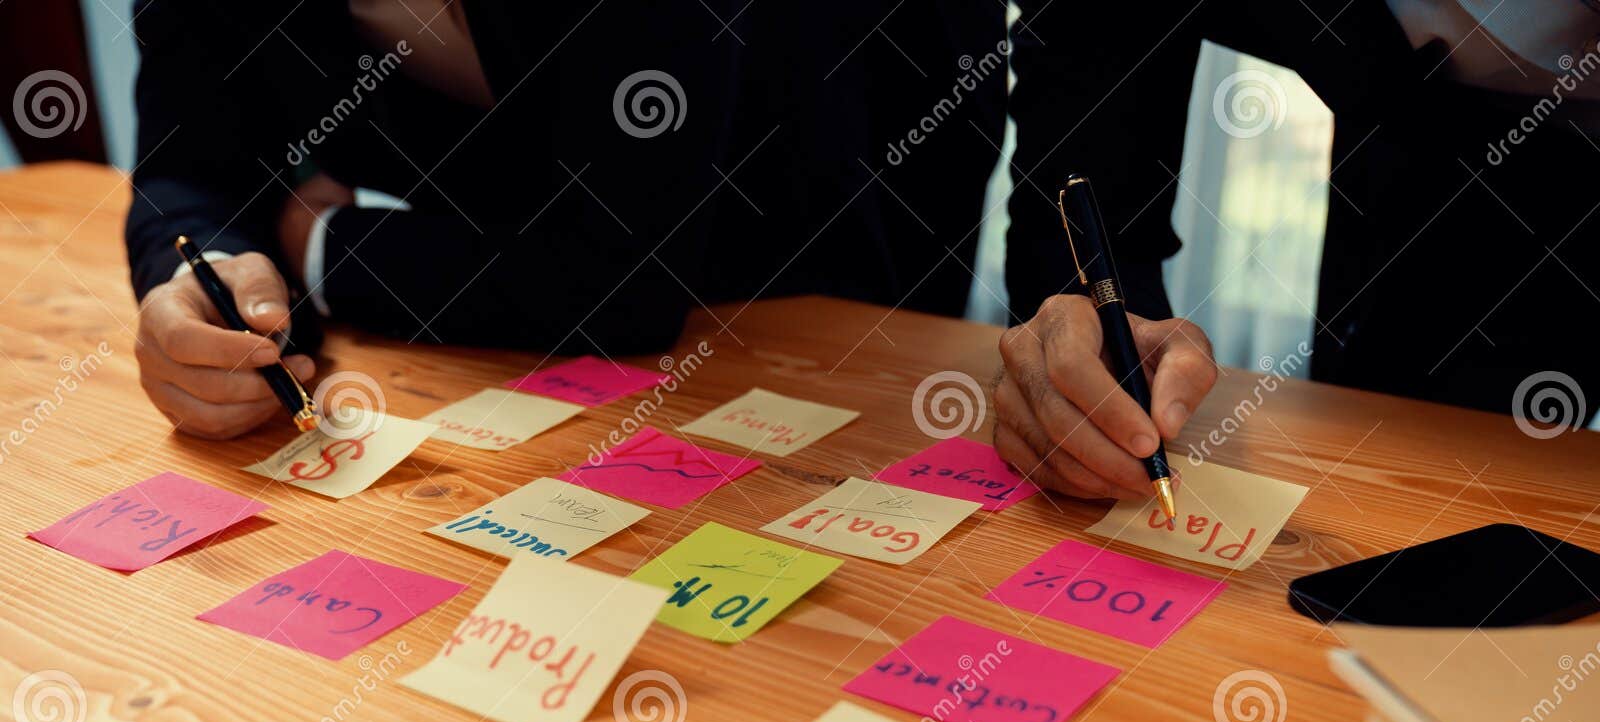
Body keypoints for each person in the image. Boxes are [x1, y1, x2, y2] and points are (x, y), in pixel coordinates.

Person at [127, 1, 1024, 438]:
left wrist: (319, 242)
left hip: (850, 152)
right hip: (553, 347)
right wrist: (206, 274)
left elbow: (625, 281)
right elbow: (185, 167)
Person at [996, 0, 1600, 501]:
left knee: (1512, 494)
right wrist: (1079, 327)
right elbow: (1089, 61)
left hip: (1572, 170)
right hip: (1402, 110)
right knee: (1369, 473)